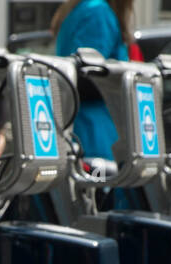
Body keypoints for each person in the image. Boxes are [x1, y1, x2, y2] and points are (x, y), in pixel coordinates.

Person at [51, 0, 136, 160]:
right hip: (93, 131)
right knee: (100, 180)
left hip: (80, 124)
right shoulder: (98, 12)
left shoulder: (84, 8)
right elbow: (88, 76)